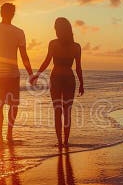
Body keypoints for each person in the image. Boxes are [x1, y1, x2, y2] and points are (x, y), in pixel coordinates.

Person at [0, 3, 34, 144]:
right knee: (13, 105)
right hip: (11, 74)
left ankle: (0, 137)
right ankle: (8, 134)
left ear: (1, 13)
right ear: (12, 14)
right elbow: (24, 56)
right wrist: (31, 74)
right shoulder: (18, 32)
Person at [30, 17, 84, 148]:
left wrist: (36, 75)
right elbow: (78, 68)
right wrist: (82, 83)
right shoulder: (76, 47)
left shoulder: (53, 44)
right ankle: (65, 142)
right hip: (69, 79)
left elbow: (47, 61)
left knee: (57, 111)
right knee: (67, 111)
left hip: (56, 79)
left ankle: (60, 142)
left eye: (56, 29)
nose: (55, 32)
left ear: (59, 30)